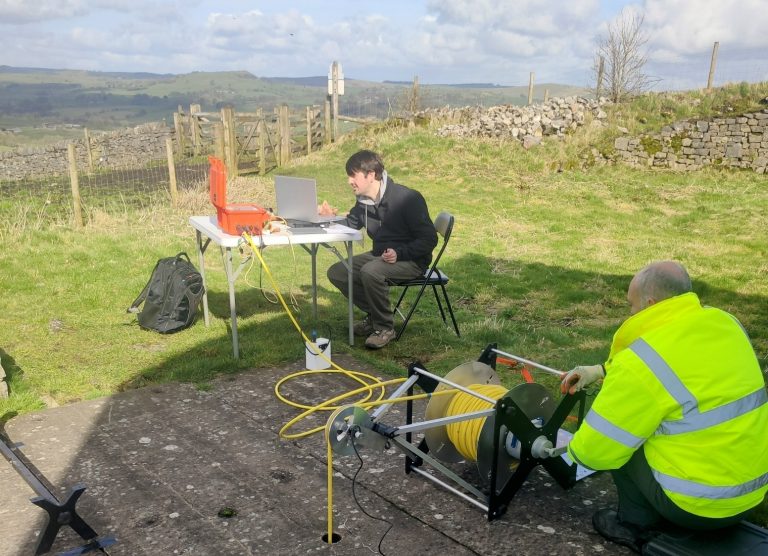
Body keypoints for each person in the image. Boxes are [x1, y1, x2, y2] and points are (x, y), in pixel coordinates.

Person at [560, 261, 768, 553]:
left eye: (631, 306)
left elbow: (592, 453)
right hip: (751, 494)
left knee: (621, 441)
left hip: (699, 509)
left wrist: (563, 448)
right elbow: (682, 368)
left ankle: (634, 525)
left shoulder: (640, 364)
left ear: (651, 303)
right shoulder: (725, 324)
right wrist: (602, 370)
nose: (630, 313)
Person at [324, 150, 437, 349]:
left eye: (353, 175)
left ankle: (385, 328)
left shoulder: (408, 198)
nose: (349, 181)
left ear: (371, 175)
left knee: (370, 271)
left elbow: (429, 239)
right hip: (380, 256)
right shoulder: (363, 202)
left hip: (412, 260)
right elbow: (349, 224)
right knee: (338, 271)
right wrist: (326, 218)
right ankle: (375, 316)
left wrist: (400, 253)